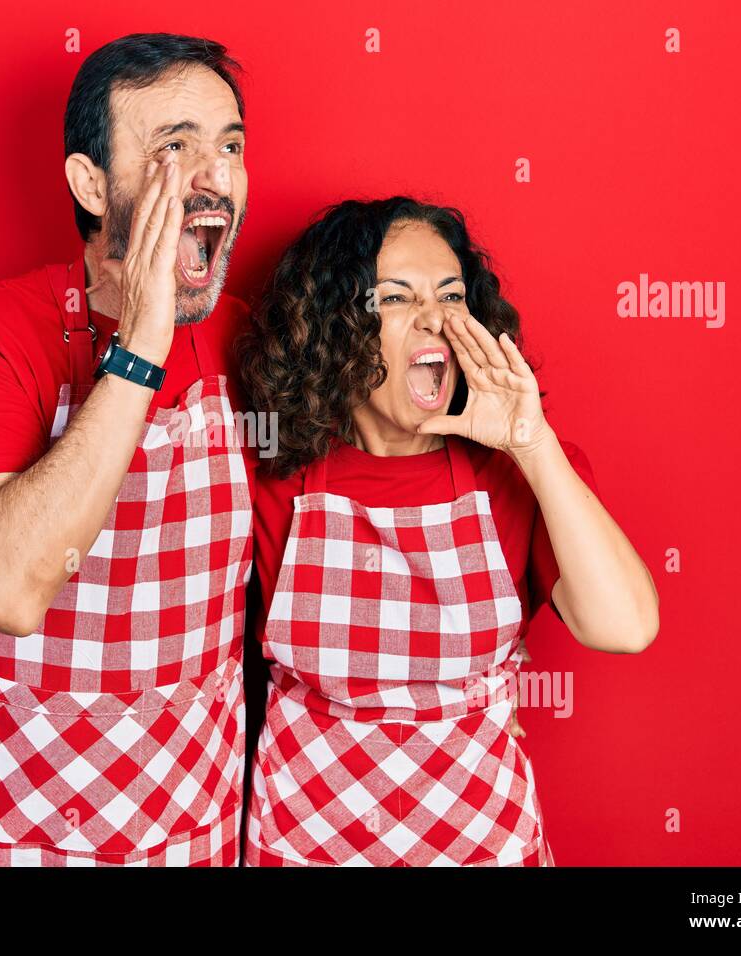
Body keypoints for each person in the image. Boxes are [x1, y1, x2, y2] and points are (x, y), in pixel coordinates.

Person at [236, 196, 659, 866]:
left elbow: (625, 626)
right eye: (398, 298)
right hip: (305, 841)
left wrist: (533, 444)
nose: (435, 317)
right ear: (336, 325)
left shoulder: (520, 472)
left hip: (482, 842)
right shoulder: (273, 478)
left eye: (451, 295)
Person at [0, 33, 254, 866]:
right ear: (91, 183)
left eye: (231, 146)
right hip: (12, 819)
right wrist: (140, 345)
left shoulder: (257, 340)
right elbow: (7, 588)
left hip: (191, 815)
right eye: (176, 147)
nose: (213, 176)